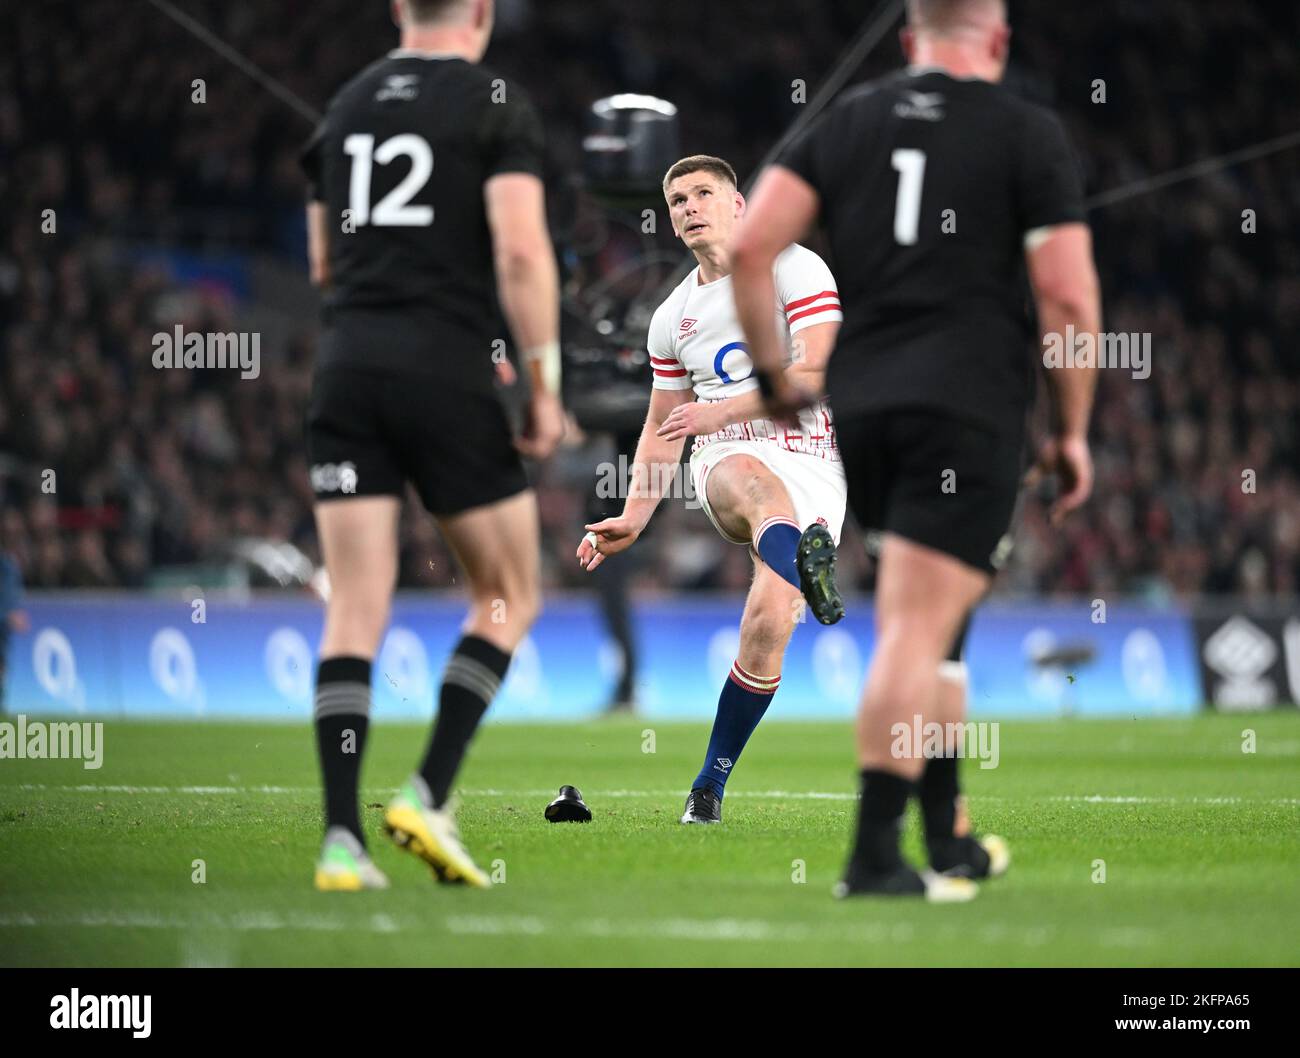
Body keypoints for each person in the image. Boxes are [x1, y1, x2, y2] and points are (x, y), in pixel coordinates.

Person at [731, 0, 1100, 899]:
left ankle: (946, 839)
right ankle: (872, 858)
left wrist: (778, 381)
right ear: (1000, 42)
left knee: (937, 636)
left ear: (907, 42)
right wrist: (1072, 429)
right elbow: (1069, 302)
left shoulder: (853, 118)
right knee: (917, 630)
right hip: (966, 403)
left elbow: (749, 251)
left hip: (867, 406)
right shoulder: (1025, 131)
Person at [300, 0, 565, 890]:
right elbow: (522, 254)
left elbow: (324, 266)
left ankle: (342, 840)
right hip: (446, 368)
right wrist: (543, 386)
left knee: (353, 608)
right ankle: (427, 793)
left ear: (396, 10)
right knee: (509, 593)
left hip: (345, 369)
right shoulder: (495, 101)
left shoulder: (343, 108)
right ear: (482, 12)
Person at [577, 155, 846, 824]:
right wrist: (634, 517)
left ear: (739, 205)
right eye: (676, 201)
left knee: (766, 627)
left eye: (703, 193)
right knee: (754, 488)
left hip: (813, 457)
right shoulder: (673, 317)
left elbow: (810, 375)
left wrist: (716, 409)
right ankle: (806, 561)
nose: (689, 206)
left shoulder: (795, 268)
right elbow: (663, 429)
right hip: (727, 458)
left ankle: (708, 786)